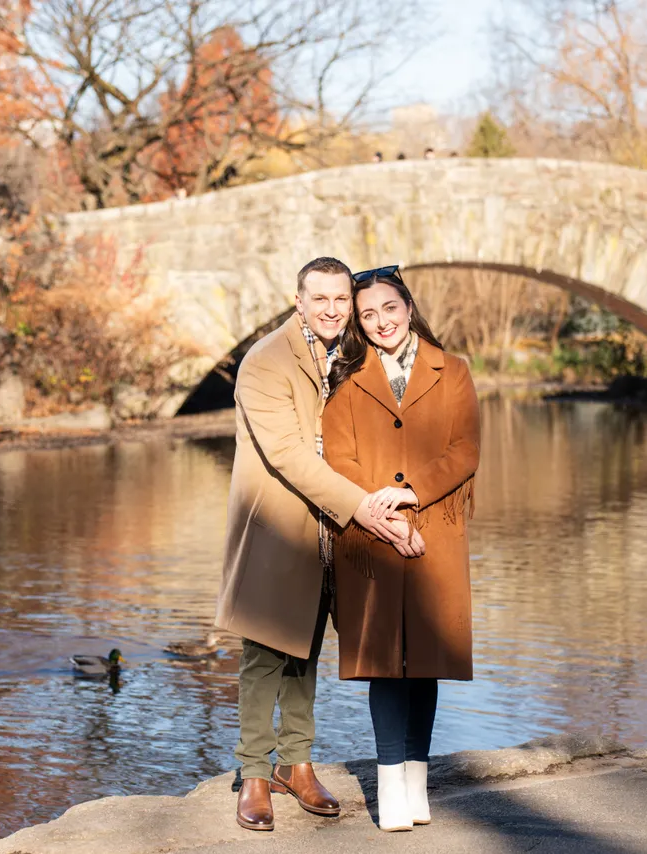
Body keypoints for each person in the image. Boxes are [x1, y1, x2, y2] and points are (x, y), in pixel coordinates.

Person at [215, 257, 422, 833]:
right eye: (320, 299)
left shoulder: (349, 353)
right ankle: (255, 775)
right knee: (264, 653)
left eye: (340, 300)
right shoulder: (265, 362)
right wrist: (364, 507)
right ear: (299, 301)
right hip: (277, 524)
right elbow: (289, 456)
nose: (332, 310)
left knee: (305, 649)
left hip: (328, 531)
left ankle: (296, 764)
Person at [322, 265, 481, 832]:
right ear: (360, 325)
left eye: (389, 308)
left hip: (434, 529)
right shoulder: (346, 380)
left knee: (425, 665)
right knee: (386, 665)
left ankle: (417, 781)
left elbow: (465, 451)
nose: (381, 321)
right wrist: (379, 512)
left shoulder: (452, 370)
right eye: (368, 315)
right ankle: (390, 784)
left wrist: (410, 493)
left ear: (408, 307)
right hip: (370, 535)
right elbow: (336, 461)